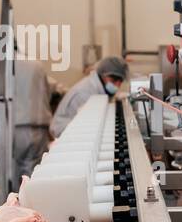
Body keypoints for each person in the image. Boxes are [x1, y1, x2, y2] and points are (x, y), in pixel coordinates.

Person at [51, 55, 128, 138]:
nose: (117, 85)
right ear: (102, 74)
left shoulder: (97, 87)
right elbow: (87, 123)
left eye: (120, 81)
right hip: (63, 131)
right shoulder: (85, 92)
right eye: (114, 80)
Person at [13, 56, 52, 185]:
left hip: (13, 126)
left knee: (11, 171)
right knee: (32, 173)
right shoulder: (36, 65)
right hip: (38, 125)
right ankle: (30, 203)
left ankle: (11, 203)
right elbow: (50, 90)